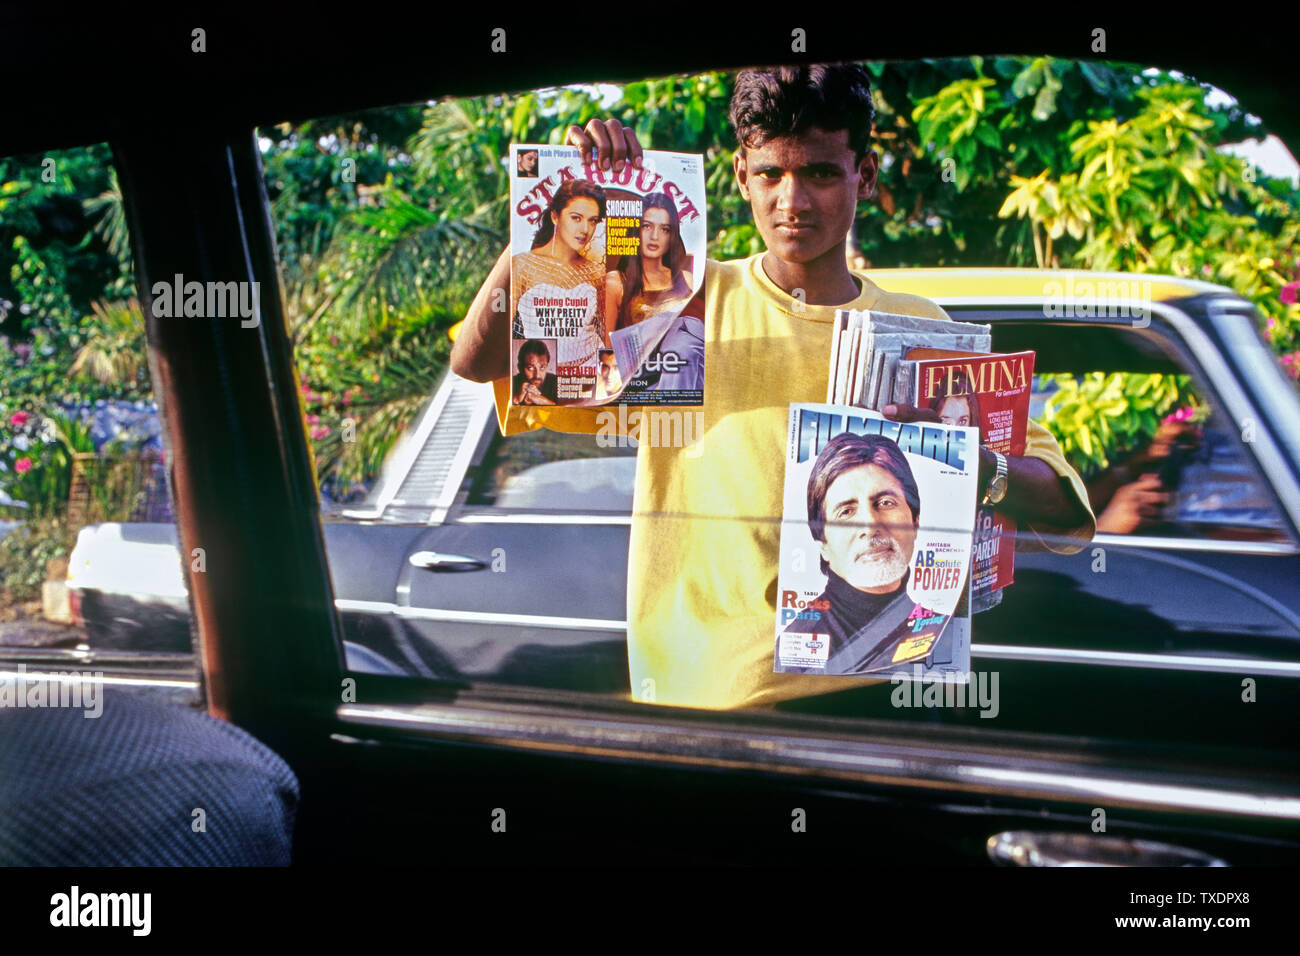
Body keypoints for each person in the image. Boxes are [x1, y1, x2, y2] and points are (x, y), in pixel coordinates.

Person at [451, 63, 1096, 710]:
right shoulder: (677, 303)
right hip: (718, 707)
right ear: (740, 176)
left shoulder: (924, 327)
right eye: (770, 174)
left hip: (887, 699)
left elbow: (1066, 511)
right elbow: (479, 364)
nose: (792, 202)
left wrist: (973, 468)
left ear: (863, 176)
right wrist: (554, 206)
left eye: (819, 172)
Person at [781, 433, 948, 675]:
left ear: (915, 522)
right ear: (822, 544)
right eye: (846, 511)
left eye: (886, 503)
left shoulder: (943, 629)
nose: (870, 526)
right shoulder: (800, 650)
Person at [511, 180, 611, 401]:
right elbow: (506, 334)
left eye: (592, 221)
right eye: (576, 218)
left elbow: (607, 334)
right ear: (555, 216)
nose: (585, 229)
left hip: (591, 373)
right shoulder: (523, 264)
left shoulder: (596, 271)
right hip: (541, 375)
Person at [605, 192, 692, 331]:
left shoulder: (686, 280)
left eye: (664, 229)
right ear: (635, 230)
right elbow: (605, 350)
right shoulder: (615, 282)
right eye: (646, 226)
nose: (654, 236)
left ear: (672, 236)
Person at [512, 339, 558, 405]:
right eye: (530, 368)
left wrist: (544, 402)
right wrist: (515, 399)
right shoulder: (511, 383)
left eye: (542, 367)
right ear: (520, 368)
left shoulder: (556, 382)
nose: (537, 375)